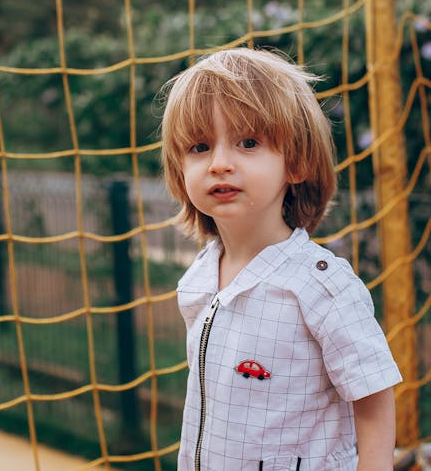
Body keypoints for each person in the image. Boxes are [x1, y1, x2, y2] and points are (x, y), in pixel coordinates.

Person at [159, 47, 402, 470]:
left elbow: (374, 394)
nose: (219, 164)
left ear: (296, 163)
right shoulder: (199, 277)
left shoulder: (321, 285)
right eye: (200, 147)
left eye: (248, 143)